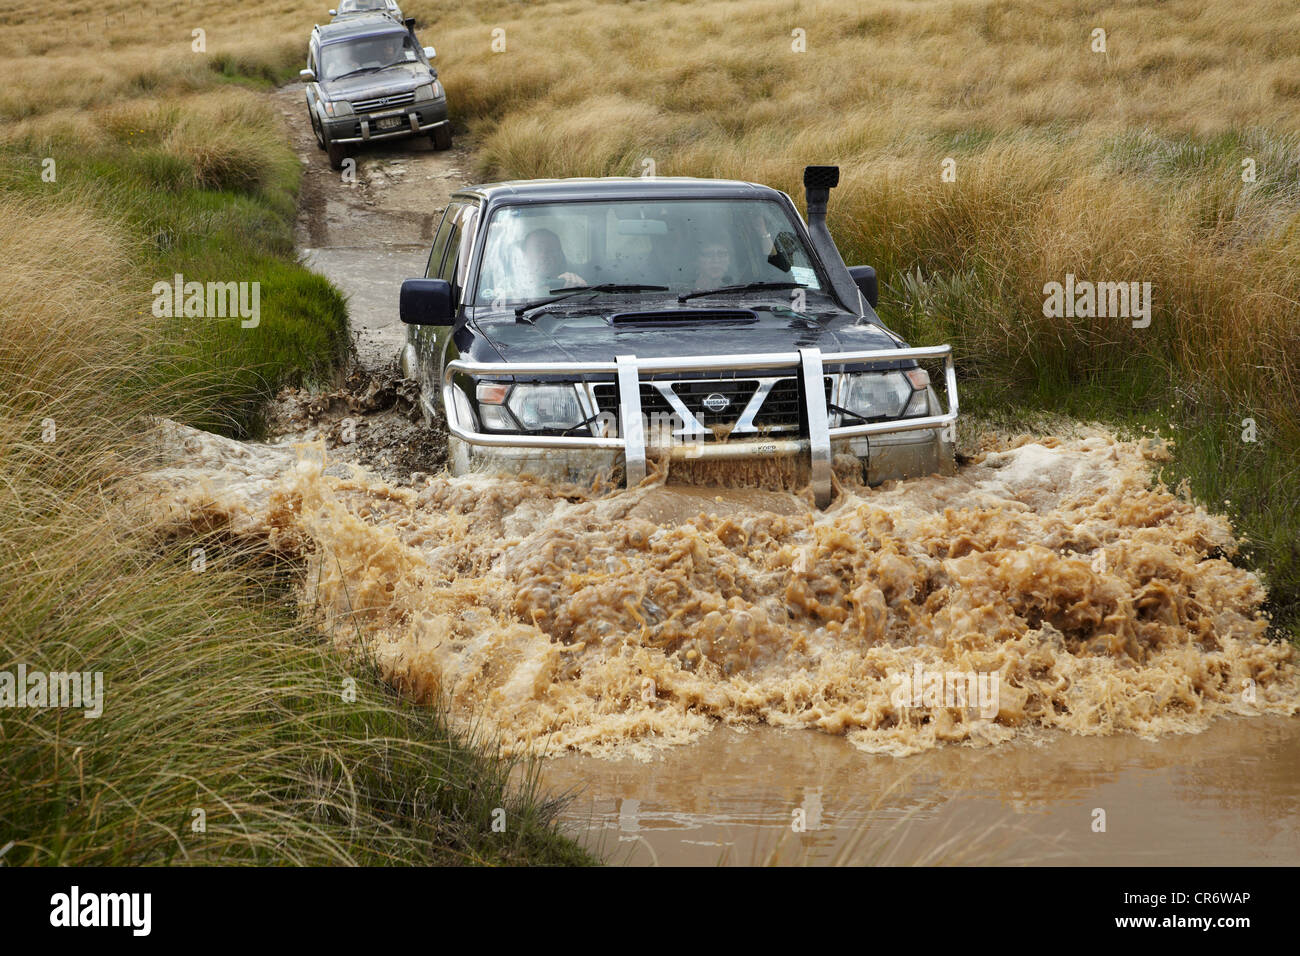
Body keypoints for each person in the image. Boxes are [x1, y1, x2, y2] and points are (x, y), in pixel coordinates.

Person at [519, 228, 585, 297]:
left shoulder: (572, 282)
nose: (543, 255)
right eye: (537, 249)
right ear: (524, 256)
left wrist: (579, 290)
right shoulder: (511, 288)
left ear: (559, 256)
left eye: (550, 250)